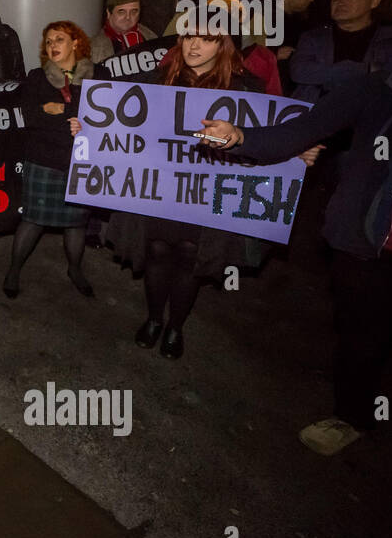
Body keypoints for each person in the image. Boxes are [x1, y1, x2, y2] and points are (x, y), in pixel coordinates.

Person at [200, 0, 392, 503]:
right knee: (362, 337)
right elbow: (309, 124)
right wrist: (244, 139)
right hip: (374, 239)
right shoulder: (386, 83)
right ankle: (351, 416)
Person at [94, 29, 267, 359]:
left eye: (207, 38)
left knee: (191, 254)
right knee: (157, 249)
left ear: (224, 45)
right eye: (188, 37)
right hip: (159, 190)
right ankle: (155, 318)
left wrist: (299, 151)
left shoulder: (247, 92)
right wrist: (88, 127)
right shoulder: (156, 81)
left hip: (206, 194)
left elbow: (269, 138)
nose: (195, 45)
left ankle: (176, 325)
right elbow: (120, 126)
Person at [3, 22, 97, 299]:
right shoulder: (37, 77)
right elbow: (30, 117)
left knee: (76, 222)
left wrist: (59, 111)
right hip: (43, 159)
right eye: (48, 42)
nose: (52, 46)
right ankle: (14, 270)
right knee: (32, 220)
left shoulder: (98, 75)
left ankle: (75, 269)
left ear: (76, 43)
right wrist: (66, 116)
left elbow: (105, 116)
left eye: (59, 39)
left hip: (81, 161)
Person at [290, 0, 392, 103]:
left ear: (374, 1)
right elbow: (299, 72)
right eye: (336, 0)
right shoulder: (314, 37)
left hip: (369, 111)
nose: (341, 4)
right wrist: (362, 70)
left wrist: (329, 74)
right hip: (317, 108)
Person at [90, 0, 158, 63]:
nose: (128, 17)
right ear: (109, 13)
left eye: (133, 11)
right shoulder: (93, 48)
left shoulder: (151, 38)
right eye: (121, 12)